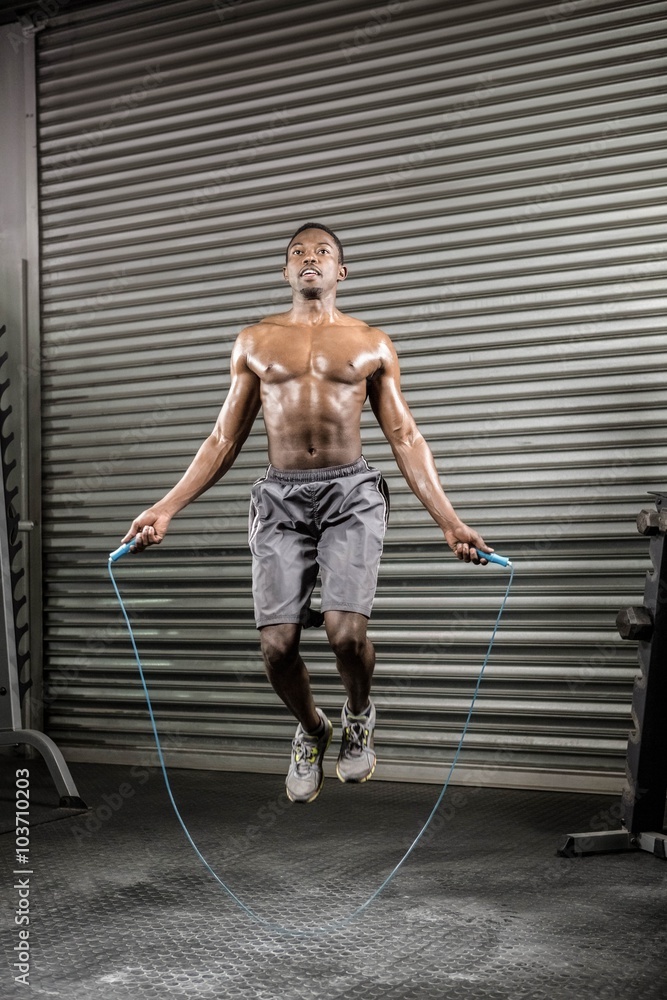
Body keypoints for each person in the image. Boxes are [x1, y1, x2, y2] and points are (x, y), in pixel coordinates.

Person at [121, 222, 492, 804]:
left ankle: (359, 712)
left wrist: (448, 519)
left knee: (347, 637)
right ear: (286, 272)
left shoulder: (371, 342)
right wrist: (166, 508)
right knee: (277, 646)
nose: (309, 258)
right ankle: (314, 728)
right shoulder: (255, 341)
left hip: (352, 494)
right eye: (298, 252)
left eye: (323, 251)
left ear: (341, 271)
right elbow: (224, 437)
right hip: (280, 496)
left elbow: (405, 434)